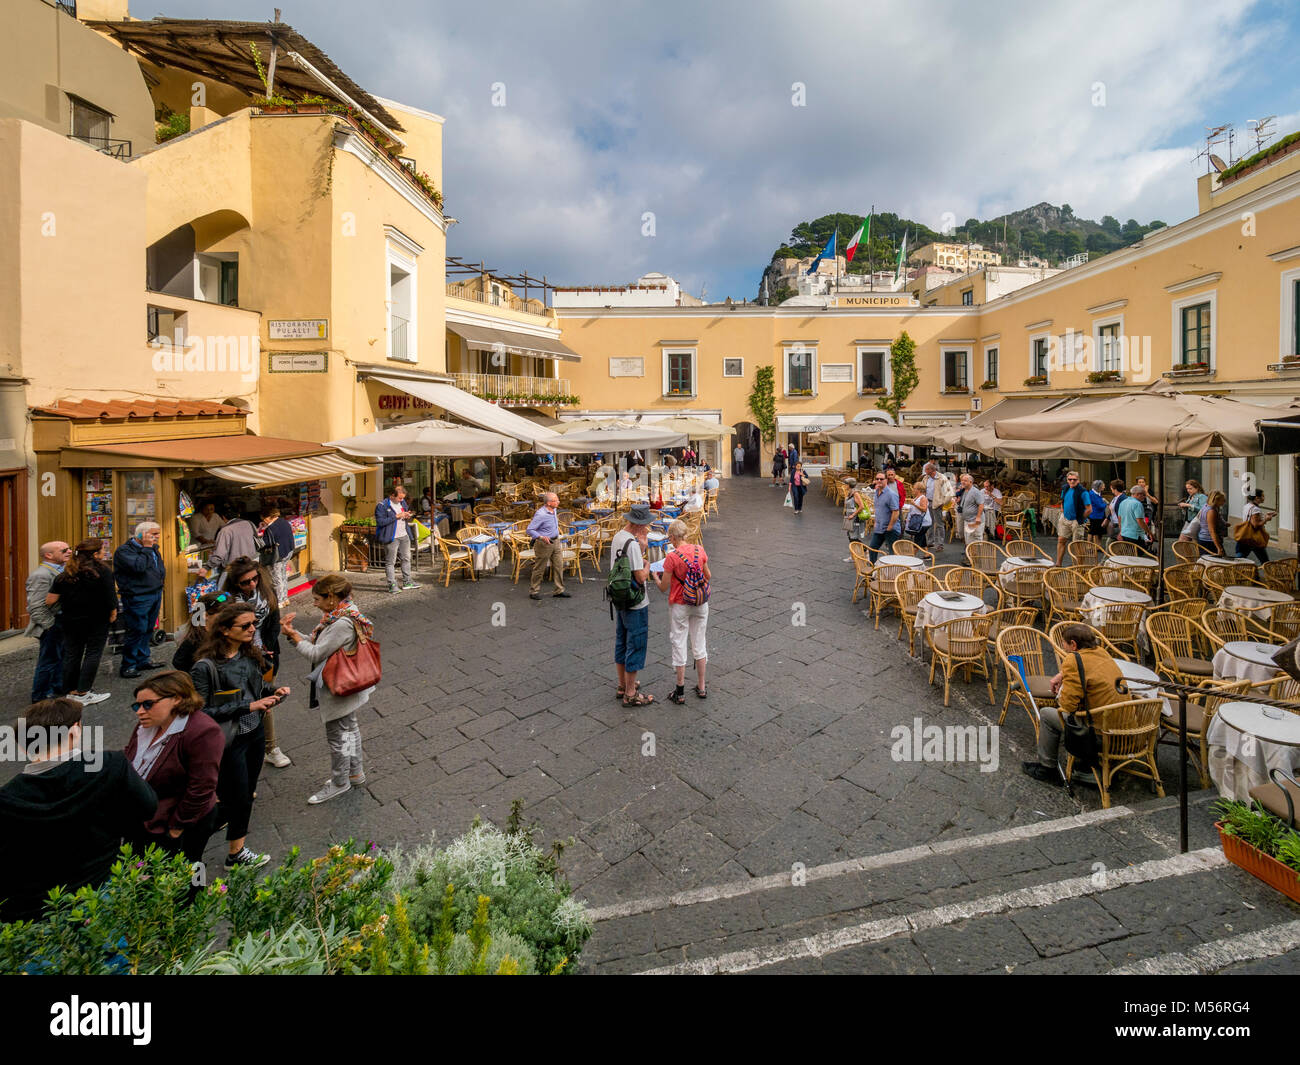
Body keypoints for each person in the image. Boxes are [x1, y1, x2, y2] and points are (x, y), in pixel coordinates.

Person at [0, 697, 157, 923]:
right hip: (99, 892)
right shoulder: (111, 765)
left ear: (22, 745)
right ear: (75, 731)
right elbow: (147, 808)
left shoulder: (7, 798)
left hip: (36, 913)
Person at [191, 603, 288, 868]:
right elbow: (203, 711)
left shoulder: (249, 655)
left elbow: (255, 688)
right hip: (227, 740)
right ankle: (235, 853)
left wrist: (273, 693)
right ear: (224, 630)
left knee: (245, 792)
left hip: (253, 731)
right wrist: (249, 706)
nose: (252, 629)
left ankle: (224, 830)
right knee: (239, 796)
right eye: (244, 626)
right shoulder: (205, 667)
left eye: (253, 624)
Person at [280, 574, 373, 805]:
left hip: (339, 687)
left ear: (331, 597)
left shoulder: (340, 623)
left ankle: (340, 782)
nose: (314, 603)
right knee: (349, 729)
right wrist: (294, 636)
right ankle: (355, 772)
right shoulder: (342, 612)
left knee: (338, 736)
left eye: (317, 599)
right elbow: (319, 645)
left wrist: (293, 636)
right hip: (350, 684)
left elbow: (315, 653)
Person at [123, 670, 223, 868]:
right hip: (144, 820)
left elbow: (201, 787)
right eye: (137, 705)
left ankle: (195, 897)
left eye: (148, 704)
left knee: (188, 870)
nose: (140, 711)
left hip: (176, 822)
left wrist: (176, 828)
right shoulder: (145, 725)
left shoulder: (202, 731)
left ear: (176, 699)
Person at [1022, 624, 1126, 785]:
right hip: (1124, 729)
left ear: (1073, 644)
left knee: (1047, 715)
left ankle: (1047, 767)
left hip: (1098, 733)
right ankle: (1084, 764)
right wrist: (1062, 675)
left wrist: (1062, 691)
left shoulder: (1072, 660)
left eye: (1063, 643)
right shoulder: (1102, 652)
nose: (1062, 646)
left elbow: (1067, 706)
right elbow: (1088, 668)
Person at [224, 557, 290, 769]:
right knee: (242, 702)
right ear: (235, 584)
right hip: (237, 659)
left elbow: (273, 626)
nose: (252, 584)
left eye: (255, 579)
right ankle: (241, 747)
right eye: (245, 582)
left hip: (265, 658)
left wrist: (266, 650)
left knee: (267, 699)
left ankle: (271, 748)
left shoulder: (266, 593)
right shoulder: (227, 601)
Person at [49, 538, 118, 705]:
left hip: (71, 620)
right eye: (102, 550)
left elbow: (50, 600)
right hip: (96, 619)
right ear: (95, 554)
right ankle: (83, 692)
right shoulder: (103, 571)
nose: (104, 553)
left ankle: (71, 691)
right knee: (93, 654)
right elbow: (111, 596)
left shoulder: (66, 574)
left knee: (72, 654)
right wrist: (113, 613)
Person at [651, 519, 710, 704]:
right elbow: (708, 576)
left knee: (679, 643)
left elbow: (663, 587)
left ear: (672, 538)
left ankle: (680, 690)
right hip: (700, 603)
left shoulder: (672, 557)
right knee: (699, 643)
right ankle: (701, 686)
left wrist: (655, 577)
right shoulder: (699, 550)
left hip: (680, 603)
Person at [611, 503, 655, 707]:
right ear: (638, 525)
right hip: (636, 601)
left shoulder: (618, 537)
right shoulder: (632, 544)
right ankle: (631, 693)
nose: (647, 528)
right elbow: (640, 576)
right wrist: (647, 563)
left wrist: (642, 547)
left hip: (619, 599)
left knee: (622, 640)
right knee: (635, 644)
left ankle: (622, 685)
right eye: (645, 525)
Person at [114, 522, 166, 679]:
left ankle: (143, 659)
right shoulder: (124, 551)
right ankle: (128, 665)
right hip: (137, 595)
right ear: (141, 535)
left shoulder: (154, 549)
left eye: (157, 534)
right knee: (137, 630)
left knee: (148, 628)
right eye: (154, 534)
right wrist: (147, 548)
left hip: (154, 593)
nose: (157, 537)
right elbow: (139, 567)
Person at [25, 540, 71, 704]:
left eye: (69, 548)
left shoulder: (62, 570)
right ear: (48, 555)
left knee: (60, 657)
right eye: (64, 549)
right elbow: (36, 606)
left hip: (61, 623)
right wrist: (50, 626)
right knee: (49, 660)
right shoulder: (41, 575)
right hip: (51, 624)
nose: (69, 551)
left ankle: (57, 688)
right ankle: (40, 695)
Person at [375, 485, 419, 594]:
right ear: (392, 495)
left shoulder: (402, 503)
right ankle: (392, 584)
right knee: (391, 562)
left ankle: (407, 581)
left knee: (407, 558)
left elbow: (403, 514)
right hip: (391, 537)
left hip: (404, 535)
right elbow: (380, 522)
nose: (402, 500)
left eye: (403, 498)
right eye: (399, 498)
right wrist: (397, 516)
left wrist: (407, 515)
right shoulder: (382, 506)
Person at [527, 491, 569, 600]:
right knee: (540, 568)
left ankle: (559, 590)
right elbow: (530, 529)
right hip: (544, 544)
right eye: (556, 500)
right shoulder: (541, 514)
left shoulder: (554, 510)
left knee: (559, 566)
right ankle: (534, 591)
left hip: (556, 542)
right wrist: (540, 537)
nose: (558, 502)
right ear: (549, 503)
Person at [202, 514, 257, 584]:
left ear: (223, 517)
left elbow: (219, 554)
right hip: (249, 565)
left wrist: (207, 567)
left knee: (225, 592)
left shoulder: (225, 530)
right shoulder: (248, 523)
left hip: (233, 569)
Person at [259, 506, 296, 607]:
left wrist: (261, 532)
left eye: (263, 519)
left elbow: (264, 543)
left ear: (268, 517)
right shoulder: (284, 522)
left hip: (277, 556)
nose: (264, 521)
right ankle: (285, 598)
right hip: (288, 552)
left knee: (276, 578)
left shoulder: (270, 529)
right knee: (283, 576)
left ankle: (280, 601)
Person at [1054, 470, 1091, 565]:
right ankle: (1058, 564)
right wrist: (1063, 510)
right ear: (1067, 480)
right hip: (1065, 518)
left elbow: (1089, 509)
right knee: (1061, 540)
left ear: (1078, 480)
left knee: (1077, 546)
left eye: (1074, 480)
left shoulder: (1083, 492)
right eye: (1070, 479)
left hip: (1077, 521)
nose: (1072, 481)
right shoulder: (1065, 488)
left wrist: (1080, 519)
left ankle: (1078, 567)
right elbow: (1062, 501)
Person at [867, 471, 900, 562]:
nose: (879, 480)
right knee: (872, 548)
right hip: (879, 527)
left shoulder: (891, 494)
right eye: (877, 479)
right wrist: (876, 522)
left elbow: (896, 512)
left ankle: (893, 573)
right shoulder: (877, 492)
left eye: (881, 479)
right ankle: (873, 570)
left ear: (886, 480)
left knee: (892, 554)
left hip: (890, 529)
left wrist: (890, 526)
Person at [1235, 489, 1273, 564]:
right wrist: (1266, 519)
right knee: (1264, 560)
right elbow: (1255, 525)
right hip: (1253, 537)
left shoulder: (1247, 506)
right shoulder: (1255, 509)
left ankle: (1235, 571)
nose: (1264, 497)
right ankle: (1267, 574)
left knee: (1240, 557)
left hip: (1245, 535)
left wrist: (1265, 516)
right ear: (1256, 498)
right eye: (1262, 496)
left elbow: (1250, 520)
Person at [924, 461, 950, 553]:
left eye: (926, 469)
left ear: (931, 470)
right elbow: (924, 488)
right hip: (928, 502)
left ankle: (940, 544)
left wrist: (943, 502)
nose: (924, 470)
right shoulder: (926, 478)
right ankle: (930, 541)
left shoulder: (942, 478)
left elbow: (949, 492)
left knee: (939, 524)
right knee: (929, 522)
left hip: (937, 503)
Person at [1195, 490, 1228, 556]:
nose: (1224, 502)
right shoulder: (1211, 511)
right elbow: (1212, 531)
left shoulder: (1206, 506)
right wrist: (1219, 548)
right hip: (1209, 542)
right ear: (1216, 500)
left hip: (1205, 539)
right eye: (1223, 500)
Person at [1117, 483, 1151, 547]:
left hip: (1124, 534)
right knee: (1137, 555)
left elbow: (1119, 518)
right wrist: (1149, 533)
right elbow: (1140, 521)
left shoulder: (1123, 502)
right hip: (1135, 536)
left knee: (1128, 554)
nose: (1145, 497)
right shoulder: (1137, 504)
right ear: (1138, 494)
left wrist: (1121, 531)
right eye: (1144, 495)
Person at [903, 481, 932, 549]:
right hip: (919, 521)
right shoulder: (916, 498)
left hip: (923, 522)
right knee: (922, 537)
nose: (913, 490)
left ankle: (912, 556)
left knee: (918, 539)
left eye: (914, 488)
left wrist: (914, 504)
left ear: (918, 490)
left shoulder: (923, 498)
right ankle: (927, 554)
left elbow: (924, 509)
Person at [958, 473, 985, 544]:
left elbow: (981, 504)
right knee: (969, 539)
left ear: (970, 482)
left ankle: (977, 555)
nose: (962, 482)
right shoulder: (964, 491)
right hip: (967, 520)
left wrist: (978, 517)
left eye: (965, 480)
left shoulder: (975, 492)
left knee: (976, 539)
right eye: (962, 480)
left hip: (975, 520)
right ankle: (970, 554)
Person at [843, 477, 868, 542]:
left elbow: (861, 506)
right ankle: (857, 551)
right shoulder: (850, 493)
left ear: (849, 485)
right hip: (849, 517)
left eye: (846, 484)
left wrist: (853, 515)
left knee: (853, 537)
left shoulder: (855, 494)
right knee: (850, 535)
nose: (844, 485)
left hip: (854, 518)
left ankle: (865, 550)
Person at [1087, 480, 1109, 544]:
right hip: (1095, 516)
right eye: (1103, 486)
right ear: (1098, 486)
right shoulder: (1092, 494)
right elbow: (1100, 506)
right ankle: (1088, 546)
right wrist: (1106, 503)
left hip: (1100, 515)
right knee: (1092, 531)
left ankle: (1098, 546)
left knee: (1099, 532)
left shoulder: (1097, 493)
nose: (1104, 487)